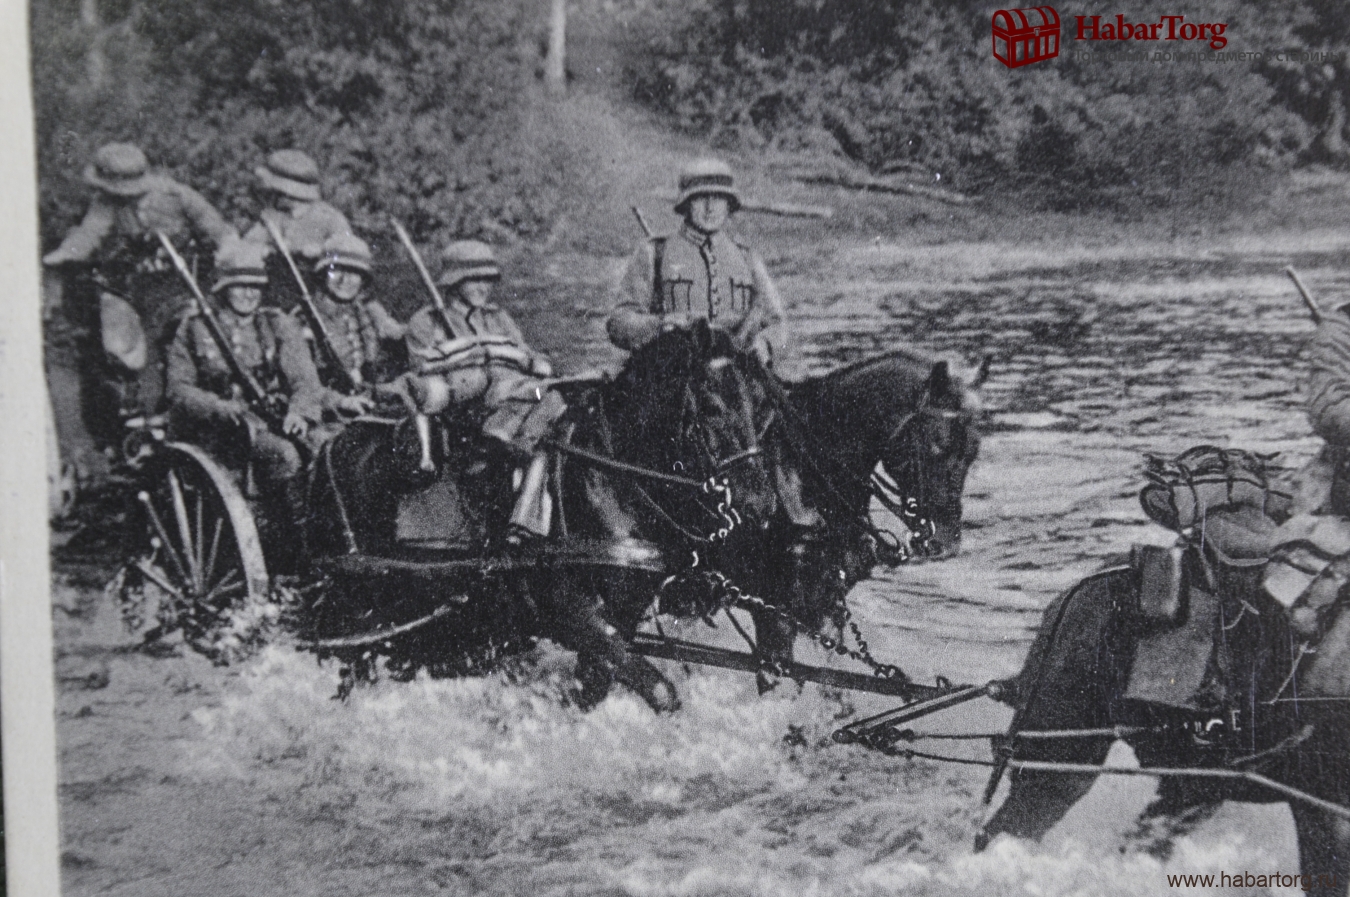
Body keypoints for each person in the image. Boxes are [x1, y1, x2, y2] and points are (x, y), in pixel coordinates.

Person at [42, 142, 237, 422]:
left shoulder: (177, 195)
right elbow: (89, 233)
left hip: (182, 283)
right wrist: (64, 255)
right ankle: (140, 404)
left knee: (194, 335)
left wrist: (225, 249)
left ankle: (208, 396)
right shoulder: (105, 203)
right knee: (127, 344)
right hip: (136, 286)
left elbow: (216, 228)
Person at [405, 240, 564, 546]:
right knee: (543, 398)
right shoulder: (426, 321)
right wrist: (472, 358)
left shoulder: (497, 318)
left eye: (487, 280)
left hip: (516, 398)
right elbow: (423, 370)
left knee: (551, 396)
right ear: (454, 281)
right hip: (467, 411)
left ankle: (523, 519)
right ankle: (508, 436)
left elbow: (527, 354)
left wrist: (531, 361)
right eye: (473, 279)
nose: (483, 287)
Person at [165, 240, 324, 523]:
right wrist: (219, 407)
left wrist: (299, 412)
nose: (249, 294)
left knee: (325, 445)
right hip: (218, 429)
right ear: (224, 288)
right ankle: (290, 534)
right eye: (240, 286)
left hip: (271, 417)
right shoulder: (194, 327)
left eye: (255, 286)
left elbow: (304, 378)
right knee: (284, 455)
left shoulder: (276, 324)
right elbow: (179, 389)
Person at [608, 157, 787, 367]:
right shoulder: (655, 252)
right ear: (686, 204)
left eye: (718, 198)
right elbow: (619, 322)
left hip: (736, 369)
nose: (710, 208)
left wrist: (765, 344)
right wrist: (660, 325)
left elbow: (776, 322)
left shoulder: (747, 258)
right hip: (672, 371)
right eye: (701, 198)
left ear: (728, 205)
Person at [298, 232, 408, 422]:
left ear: (363, 279)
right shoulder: (304, 319)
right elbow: (301, 384)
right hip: (326, 414)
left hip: (368, 401)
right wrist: (340, 401)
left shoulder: (368, 311)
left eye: (353, 273)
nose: (344, 280)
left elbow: (398, 334)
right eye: (336, 271)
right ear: (323, 275)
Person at [243, 149, 354, 309]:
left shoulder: (330, 218)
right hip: (277, 293)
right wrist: (261, 249)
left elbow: (348, 254)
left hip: (320, 296)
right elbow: (249, 244)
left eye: (277, 193)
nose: (273, 197)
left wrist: (321, 250)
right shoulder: (273, 216)